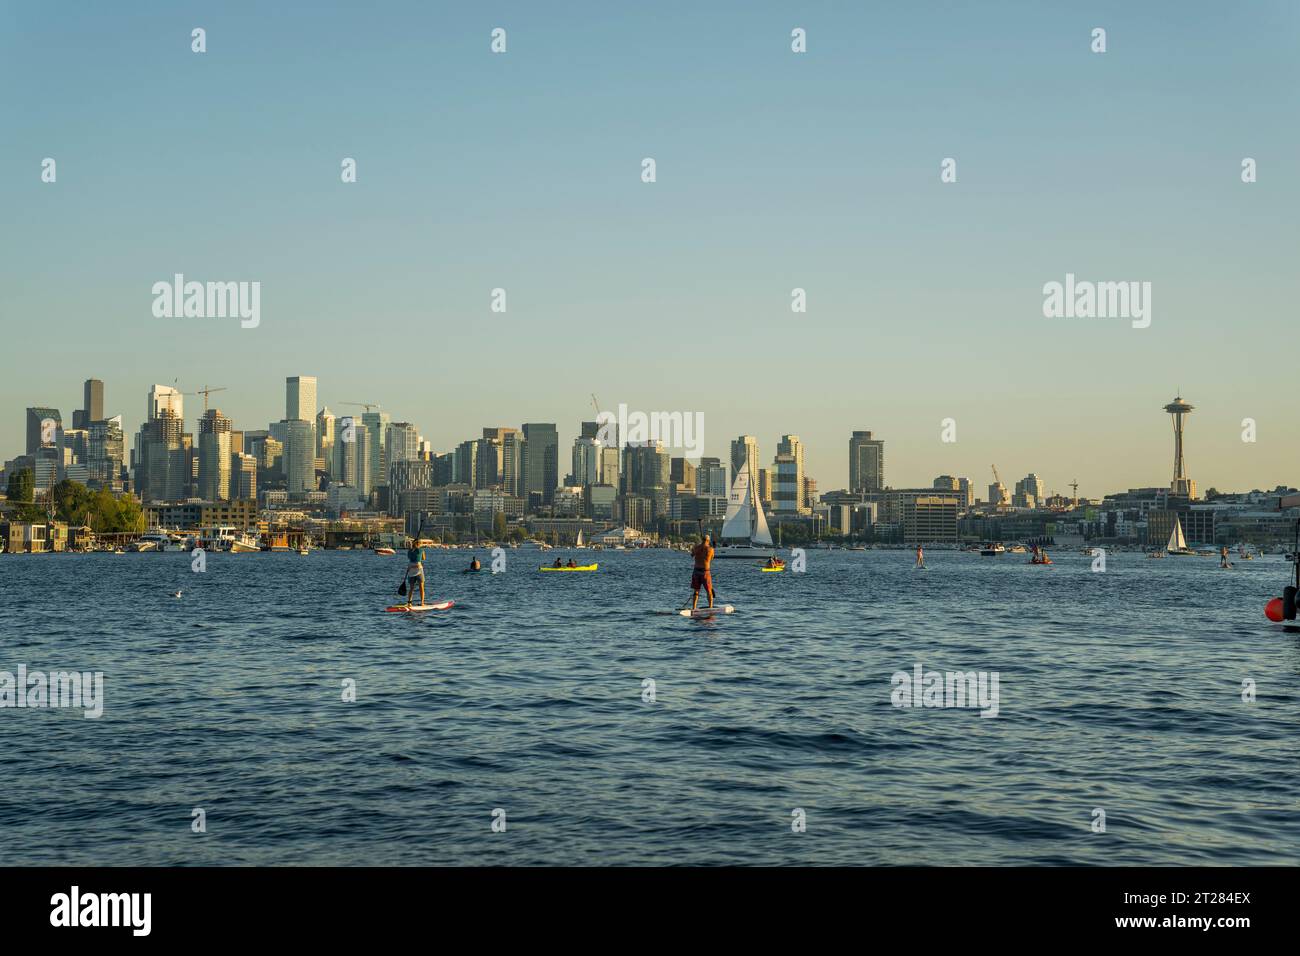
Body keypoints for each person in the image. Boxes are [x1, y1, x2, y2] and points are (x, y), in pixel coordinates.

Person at [689, 533, 715, 610]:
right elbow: (712, 558)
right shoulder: (711, 549)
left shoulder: (696, 548)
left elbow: (692, 555)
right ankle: (710, 607)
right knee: (709, 590)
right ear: (708, 540)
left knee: (696, 591)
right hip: (705, 572)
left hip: (696, 571)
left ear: (702, 540)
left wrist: (698, 548)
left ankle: (694, 607)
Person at [406, 541, 426, 607]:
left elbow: (409, 558)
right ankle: (422, 602)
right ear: (418, 544)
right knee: (421, 587)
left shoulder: (409, 551)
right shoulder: (421, 550)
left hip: (411, 570)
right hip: (419, 570)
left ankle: (409, 602)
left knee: (411, 588)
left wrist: (412, 549)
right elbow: (424, 558)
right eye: (420, 544)